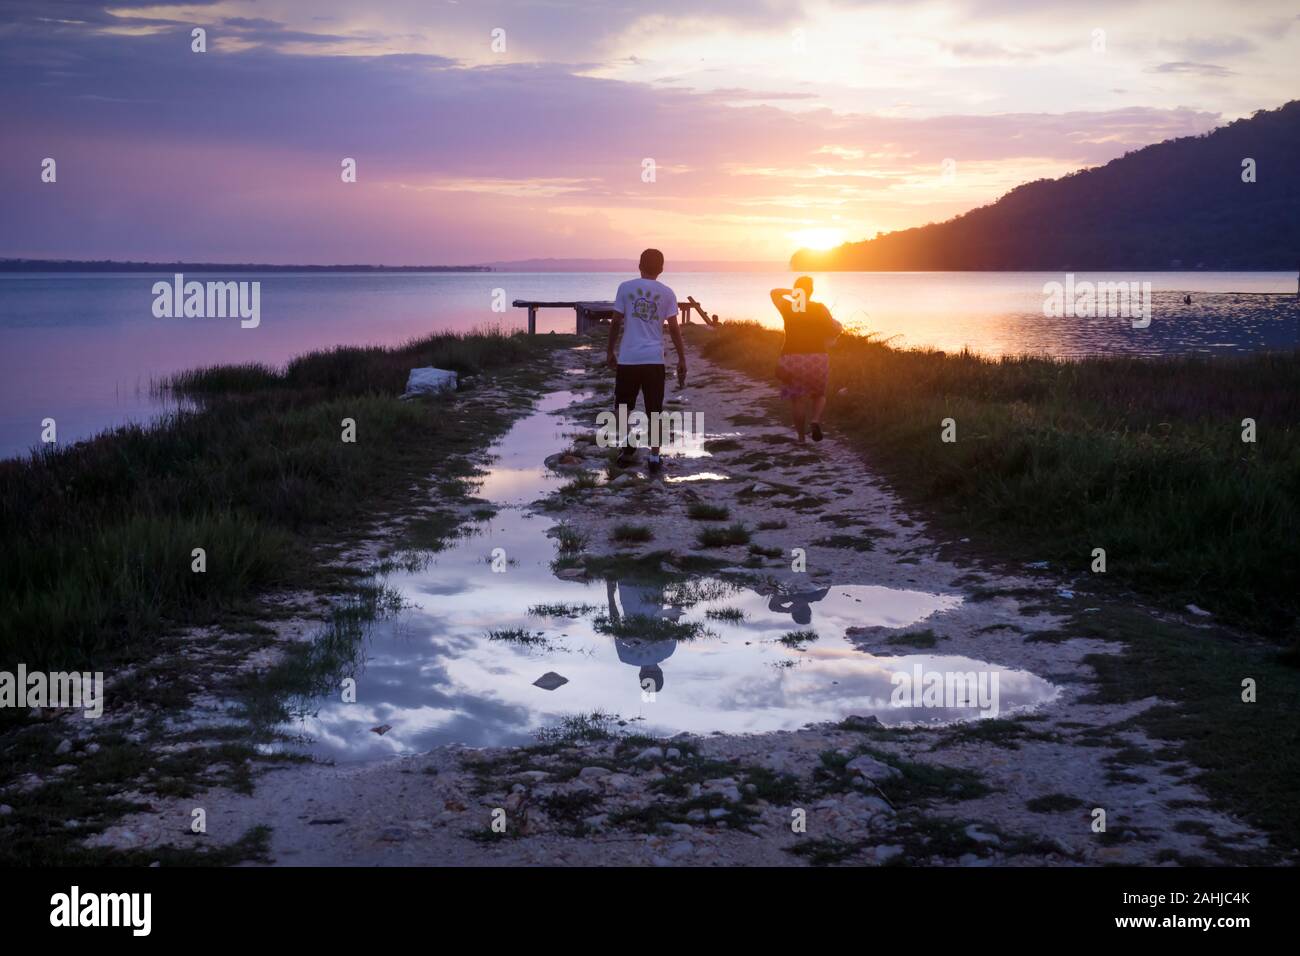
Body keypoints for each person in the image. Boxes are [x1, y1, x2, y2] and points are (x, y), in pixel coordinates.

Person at [607, 249, 686, 475]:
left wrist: (610, 351)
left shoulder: (625, 288)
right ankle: (653, 456)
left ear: (639, 265)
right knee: (655, 410)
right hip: (654, 360)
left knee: (622, 407)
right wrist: (682, 358)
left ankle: (627, 447)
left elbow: (615, 323)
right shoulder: (668, 293)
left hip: (629, 358)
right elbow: (674, 329)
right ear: (661, 269)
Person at [770, 276, 842, 443]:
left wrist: (795, 294)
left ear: (797, 290)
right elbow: (832, 327)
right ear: (812, 291)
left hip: (792, 356)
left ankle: (801, 438)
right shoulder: (819, 308)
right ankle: (815, 420)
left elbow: (774, 292)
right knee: (819, 394)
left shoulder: (787, 307)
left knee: (797, 399)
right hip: (817, 356)